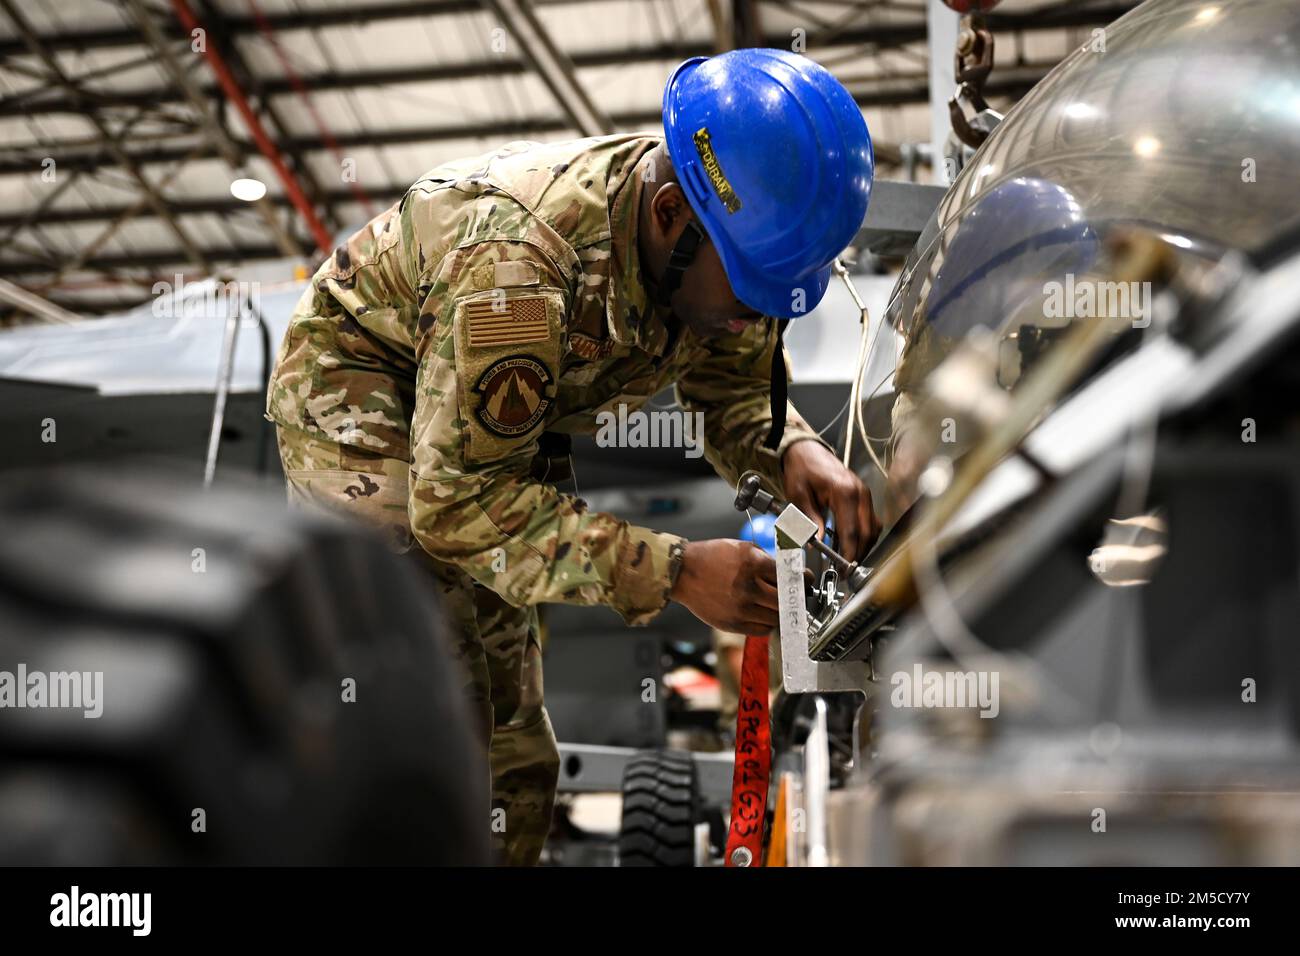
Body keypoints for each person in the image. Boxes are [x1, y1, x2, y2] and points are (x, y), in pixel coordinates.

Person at [265, 48, 879, 865]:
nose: (751, 318)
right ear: (669, 216)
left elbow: (730, 391)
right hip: (363, 393)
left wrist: (794, 451)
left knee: (513, 746)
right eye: (746, 294)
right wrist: (675, 572)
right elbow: (456, 504)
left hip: (492, 422)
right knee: (437, 710)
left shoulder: (731, 246)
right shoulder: (520, 269)